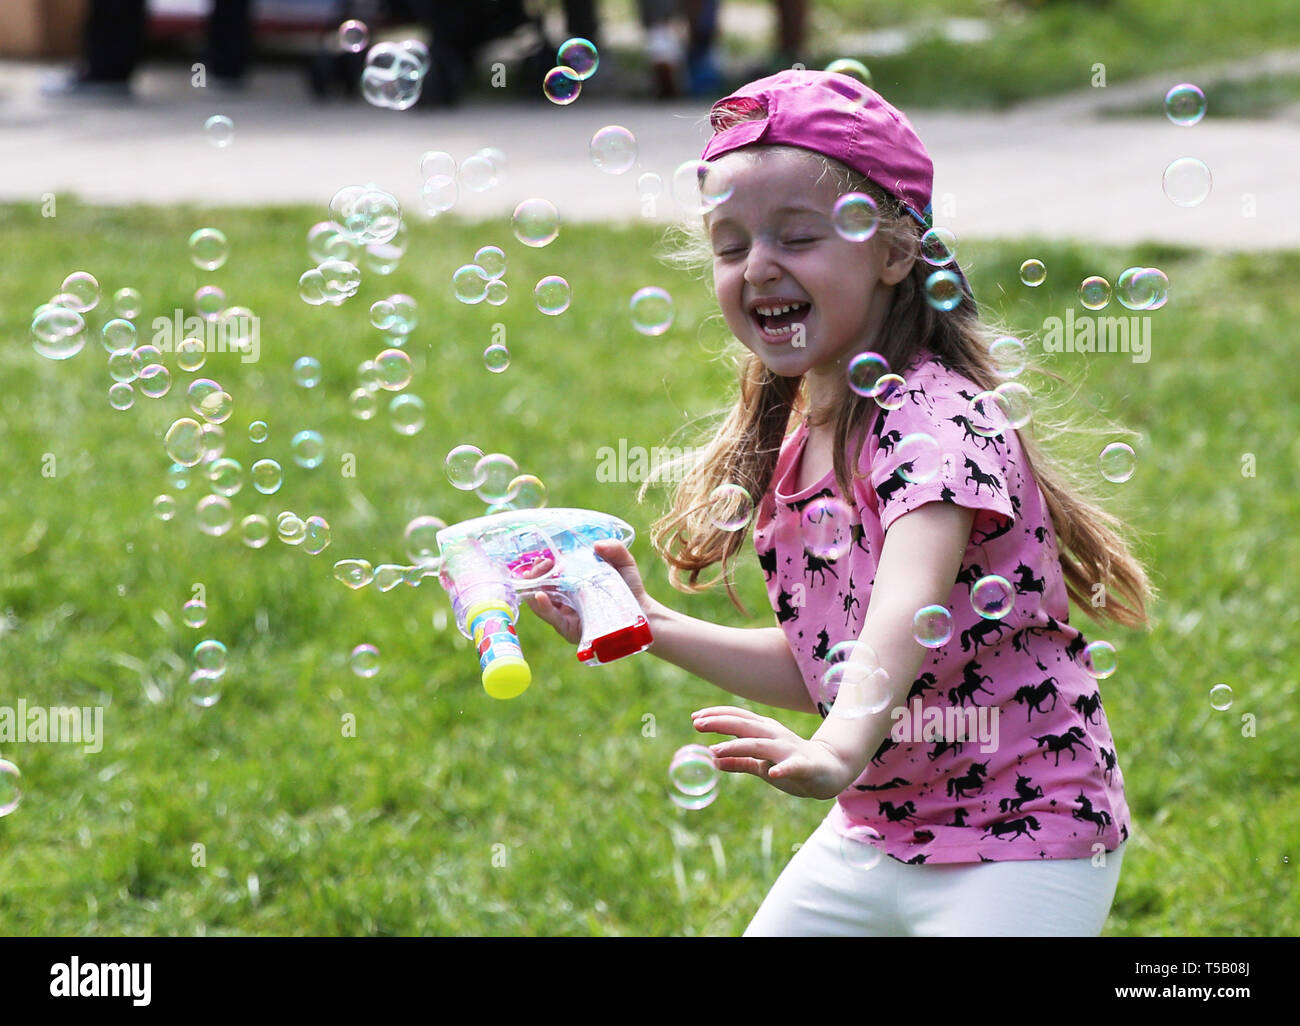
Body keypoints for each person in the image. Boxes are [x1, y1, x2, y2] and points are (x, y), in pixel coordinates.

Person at [527, 69, 1153, 936]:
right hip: (877, 829)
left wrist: (837, 748)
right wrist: (648, 623)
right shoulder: (799, 435)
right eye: (730, 244)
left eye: (797, 236)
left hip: (1023, 834)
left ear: (894, 253)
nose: (759, 267)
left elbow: (905, 612)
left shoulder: (932, 424)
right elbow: (835, 662)